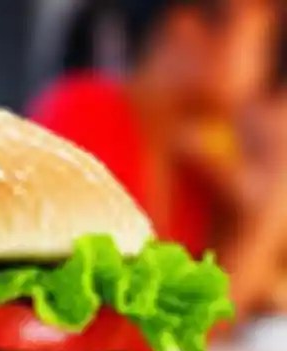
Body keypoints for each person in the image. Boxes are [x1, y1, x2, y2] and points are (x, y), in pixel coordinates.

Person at [28, 0, 285, 324]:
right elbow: (183, 327)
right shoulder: (84, 117)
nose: (265, 75)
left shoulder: (201, 165)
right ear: (188, 27)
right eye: (263, 44)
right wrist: (272, 209)